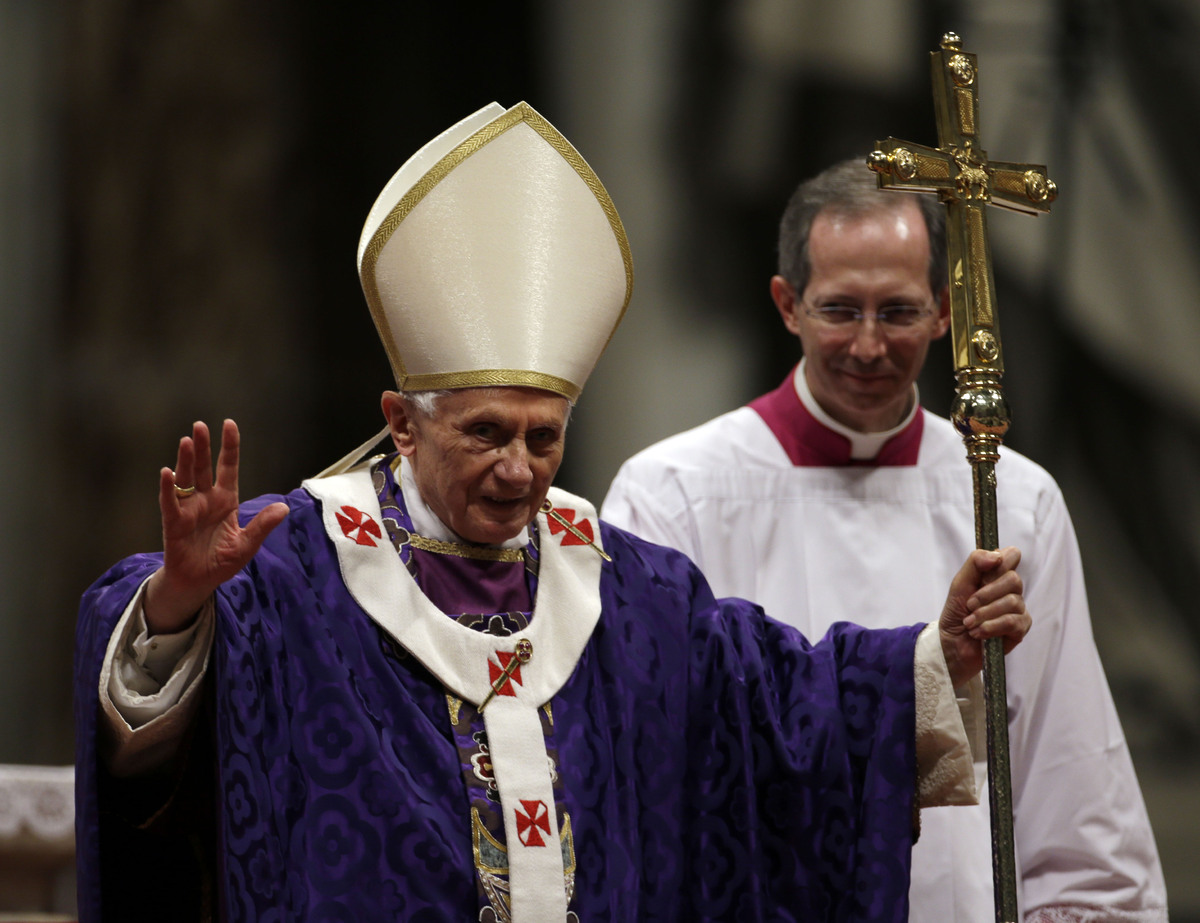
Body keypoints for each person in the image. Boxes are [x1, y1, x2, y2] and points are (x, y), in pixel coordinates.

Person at [75, 109, 1031, 923]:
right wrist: (177, 603)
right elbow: (156, 757)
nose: (517, 470)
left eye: (544, 437)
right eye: (487, 433)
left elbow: (778, 710)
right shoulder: (294, 568)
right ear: (401, 425)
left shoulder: (630, 589)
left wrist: (928, 660)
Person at [603, 158, 1168, 923]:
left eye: (897, 312)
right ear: (787, 304)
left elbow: (1066, 766)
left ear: (943, 310)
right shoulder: (671, 495)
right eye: (840, 309)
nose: (868, 347)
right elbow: (657, 758)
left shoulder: (1014, 501)